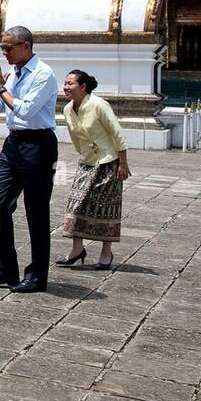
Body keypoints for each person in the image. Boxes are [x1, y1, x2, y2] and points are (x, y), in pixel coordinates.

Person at [0, 26, 60, 294]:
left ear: (26, 46)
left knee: (36, 211)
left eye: (8, 48)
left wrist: (1, 88)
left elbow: (25, 110)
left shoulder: (43, 74)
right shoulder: (13, 73)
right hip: (13, 143)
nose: (5, 53)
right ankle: (3, 268)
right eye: (2, 48)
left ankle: (36, 275)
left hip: (37, 144)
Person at [58, 69, 130, 271]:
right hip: (87, 162)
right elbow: (76, 138)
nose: (66, 87)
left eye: (71, 83)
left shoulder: (99, 105)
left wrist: (122, 163)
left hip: (108, 161)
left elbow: (116, 132)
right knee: (76, 203)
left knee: (106, 207)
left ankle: (106, 253)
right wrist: (83, 155)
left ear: (83, 86)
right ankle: (77, 249)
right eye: (65, 83)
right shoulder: (67, 109)